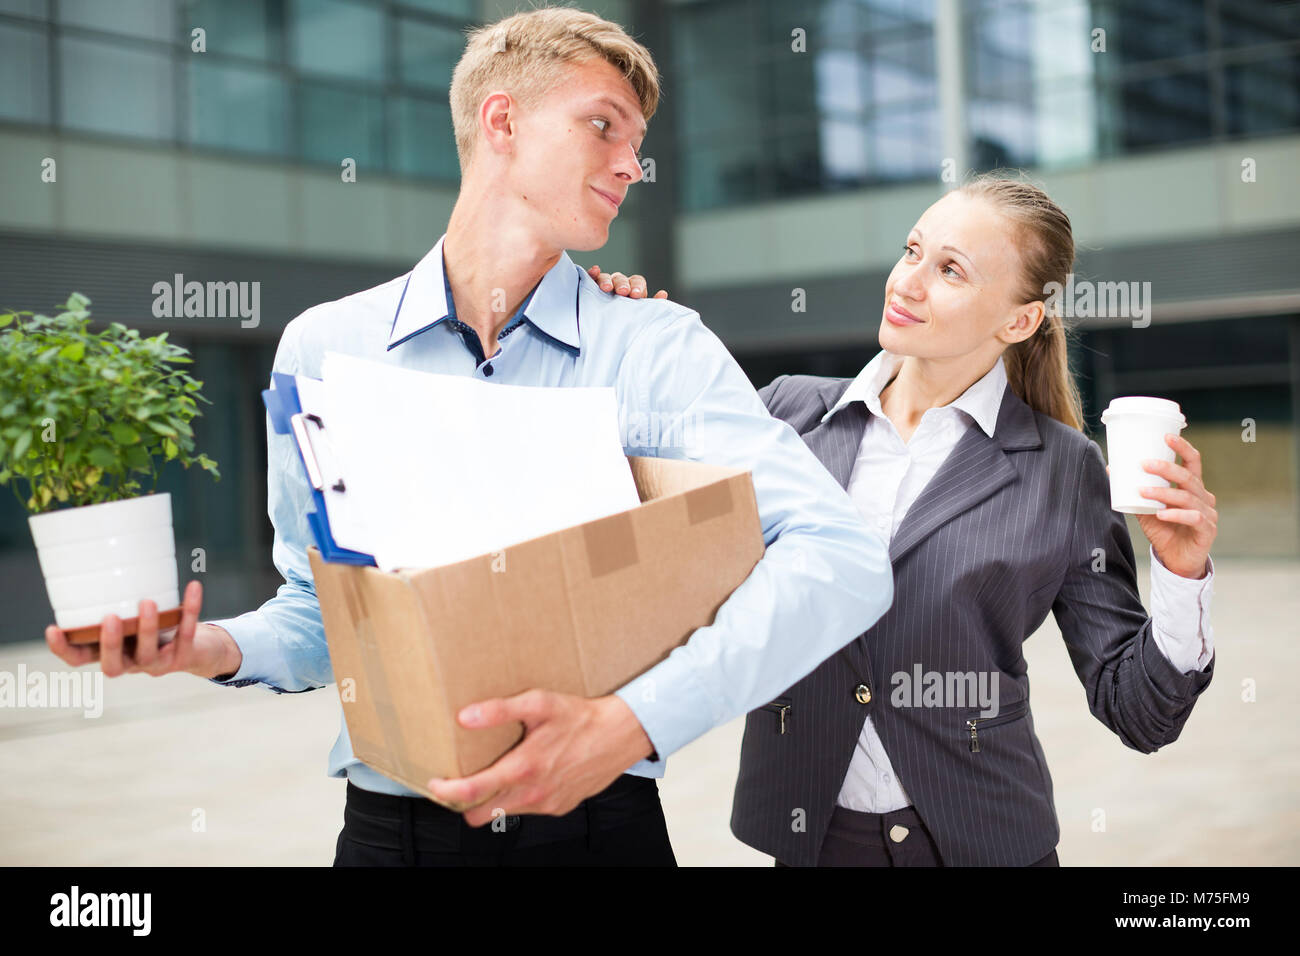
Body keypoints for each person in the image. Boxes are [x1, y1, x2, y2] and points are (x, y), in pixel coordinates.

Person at [43, 6, 893, 867]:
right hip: (389, 839)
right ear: (502, 121)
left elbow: (839, 556)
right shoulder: (326, 348)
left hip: (599, 835)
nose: (633, 166)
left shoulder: (652, 346)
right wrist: (210, 648)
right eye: (602, 126)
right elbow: (325, 614)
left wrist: (634, 721)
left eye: (637, 142)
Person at [595, 174, 1218, 867]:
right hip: (815, 841)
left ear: (1019, 321)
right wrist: (627, 346)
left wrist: (1181, 570)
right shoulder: (787, 415)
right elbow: (630, 514)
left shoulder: (1063, 469)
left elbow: (1140, 713)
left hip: (985, 841)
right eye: (913, 250)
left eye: (951, 269)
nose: (908, 282)